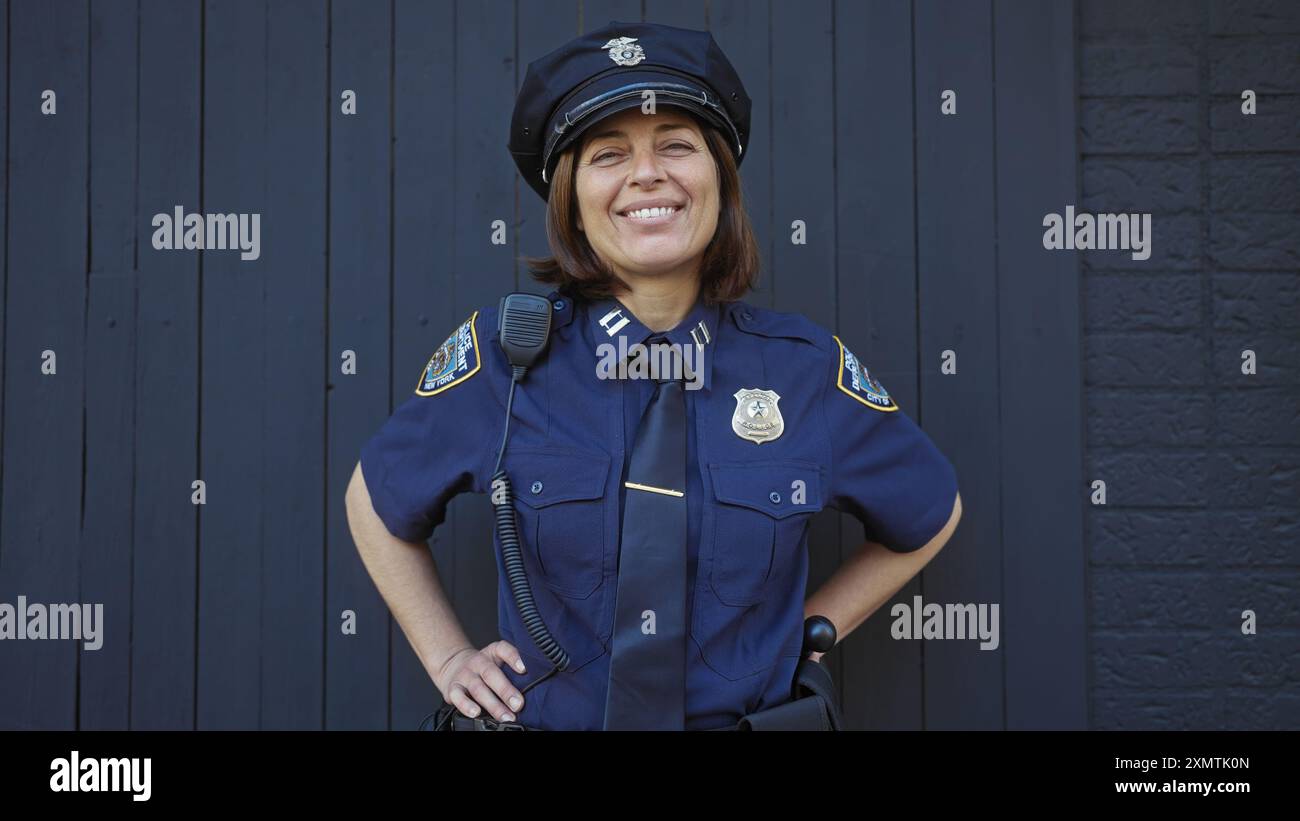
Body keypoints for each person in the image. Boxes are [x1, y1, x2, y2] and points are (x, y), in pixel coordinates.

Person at [345, 20, 962, 731]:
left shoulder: (805, 369)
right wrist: (449, 657)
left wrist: (810, 631)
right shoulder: (503, 359)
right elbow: (375, 499)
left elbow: (930, 511)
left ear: (719, 182)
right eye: (609, 153)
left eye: (676, 144)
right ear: (571, 201)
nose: (648, 174)